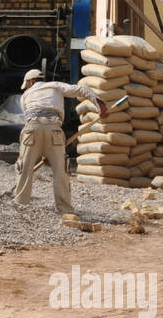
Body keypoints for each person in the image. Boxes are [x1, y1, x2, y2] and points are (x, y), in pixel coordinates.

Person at [13, 69, 108, 215]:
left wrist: (41, 149)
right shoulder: (55, 85)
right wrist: (100, 104)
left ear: (30, 82)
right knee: (60, 172)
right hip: (54, 130)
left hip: (32, 130)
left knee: (24, 168)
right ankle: (65, 209)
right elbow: (83, 89)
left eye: (27, 85)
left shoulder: (26, 95)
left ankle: (20, 203)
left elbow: (33, 119)